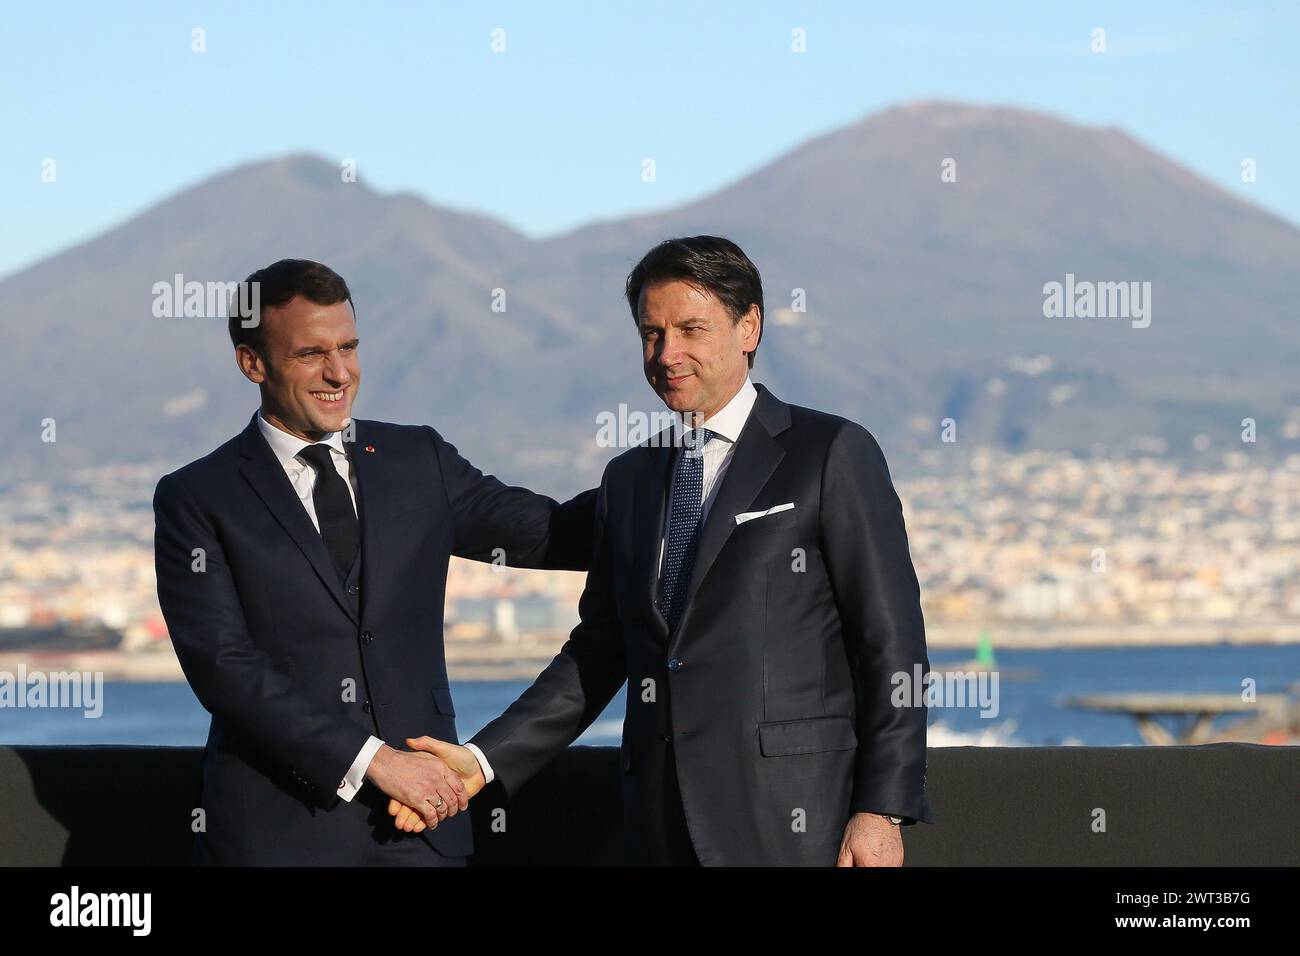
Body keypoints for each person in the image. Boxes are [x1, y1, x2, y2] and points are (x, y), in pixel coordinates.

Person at [393, 236, 932, 865]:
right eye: (652, 334)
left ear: (749, 326)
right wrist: (481, 762)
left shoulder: (830, 452)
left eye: (690, 330)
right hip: (655, 823)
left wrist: (881, 810)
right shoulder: (631, 479)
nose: (668, 354)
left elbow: (892, 643)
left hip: (798, 821)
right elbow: (599, 653)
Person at [153, 258, 594, 865]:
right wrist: (377, 762)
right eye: (311, 353)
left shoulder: (418, 461)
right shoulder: (198, 497)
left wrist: (679, 478)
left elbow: (555, 533)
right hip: (276, 837)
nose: (339, 372)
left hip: (422, 833)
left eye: (350, 346)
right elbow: (224, 668)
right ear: (252, 362)